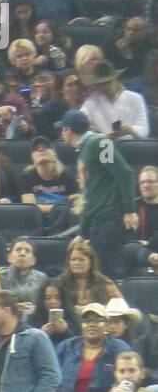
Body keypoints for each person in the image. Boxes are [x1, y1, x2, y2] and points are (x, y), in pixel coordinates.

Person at [58, 109, 138, 280]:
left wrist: (129, 210)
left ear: (67, 130)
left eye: (62, 129)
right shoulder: (86, 148)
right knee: (97, 276)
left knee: (104, 275)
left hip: (108, 220)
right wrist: (81, 233)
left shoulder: (101, 143)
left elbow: (124, 173)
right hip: (97, 222)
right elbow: (89, 196)